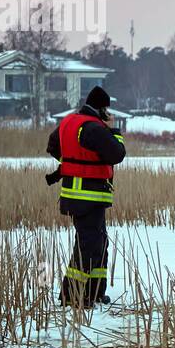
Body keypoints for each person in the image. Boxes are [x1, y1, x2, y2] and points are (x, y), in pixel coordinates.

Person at [46, 86, 126, 308]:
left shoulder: (70, 122)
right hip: (88, 196)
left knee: (98, 243)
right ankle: (71, 296)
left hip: (77, 194)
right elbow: (117, 154)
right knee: (88, 246)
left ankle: (94, 292)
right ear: (101, 109)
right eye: (106, 110)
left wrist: (72, 162)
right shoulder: (94, 128)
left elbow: (52, 146)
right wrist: (114, 130)